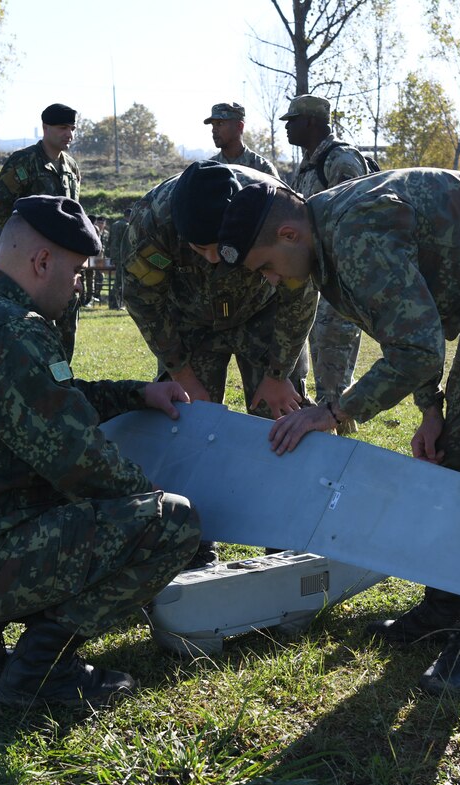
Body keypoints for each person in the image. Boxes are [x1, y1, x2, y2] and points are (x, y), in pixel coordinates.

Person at [212, 168, 460, 696]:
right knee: (453, 458)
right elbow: (416, 326)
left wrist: (334, 412)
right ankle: (442, 610)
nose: (271, 280)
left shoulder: (355, 235)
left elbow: (417, 348)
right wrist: (431, 410)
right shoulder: (323, 244)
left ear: (287, 235)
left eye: (266, 268)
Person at [0, 195, 202, 708]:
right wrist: (163, 510)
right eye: (78, 271)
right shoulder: (14, 333)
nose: (81, 284)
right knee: (173, 524)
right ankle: (44, 670)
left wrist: (136, 394)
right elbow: (84, 463)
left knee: (68, 510)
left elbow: (48, 399)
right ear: (42, 263)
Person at [118, 160, 318, 567]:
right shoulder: (151, 223)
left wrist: (279, 373)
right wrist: (182, 371)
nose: (211, 259)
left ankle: (284, 533)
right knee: (185, 424)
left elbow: (300, 292)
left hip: (262, 316)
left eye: (218, 248)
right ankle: (192, 539)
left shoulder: (270, 207)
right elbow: (142, 299)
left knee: (280, 421)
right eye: (198, 249)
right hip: (188, 324)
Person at [282, 93, 372, 436]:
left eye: (292, 121)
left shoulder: (341, 160)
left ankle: (340, 454)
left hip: (340, 287)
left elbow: (356, 222)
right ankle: (335, 443)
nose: (287, 128)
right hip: (315, 285)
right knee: (323, 377)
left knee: (333, 385)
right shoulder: (306, 166)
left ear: (311, 122)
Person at [0, 103, 83, 358]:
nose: (69, 134)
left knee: (65, 326)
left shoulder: (71, 168)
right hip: (28, 265)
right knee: (26, 327)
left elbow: (74, 215)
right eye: (63, 128)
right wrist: (25, 242)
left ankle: (62, 383)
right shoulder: (23, 163)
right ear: (45, 128)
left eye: (72, 128)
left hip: (62, 263)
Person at [204, 102, 280, 178]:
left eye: (220, 123)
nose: (214, 130)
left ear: (240, 126)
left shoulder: (263, 168)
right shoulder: (208, 168)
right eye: (213, 125)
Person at [106, 208, 131, 309]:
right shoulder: (127, 226)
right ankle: (114, 303)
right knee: (120, 281)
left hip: (114, 255)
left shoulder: (115, 224)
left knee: (118, 279)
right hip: (122, 255)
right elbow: (128, 243)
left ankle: (116, 303)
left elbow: (109, 240)